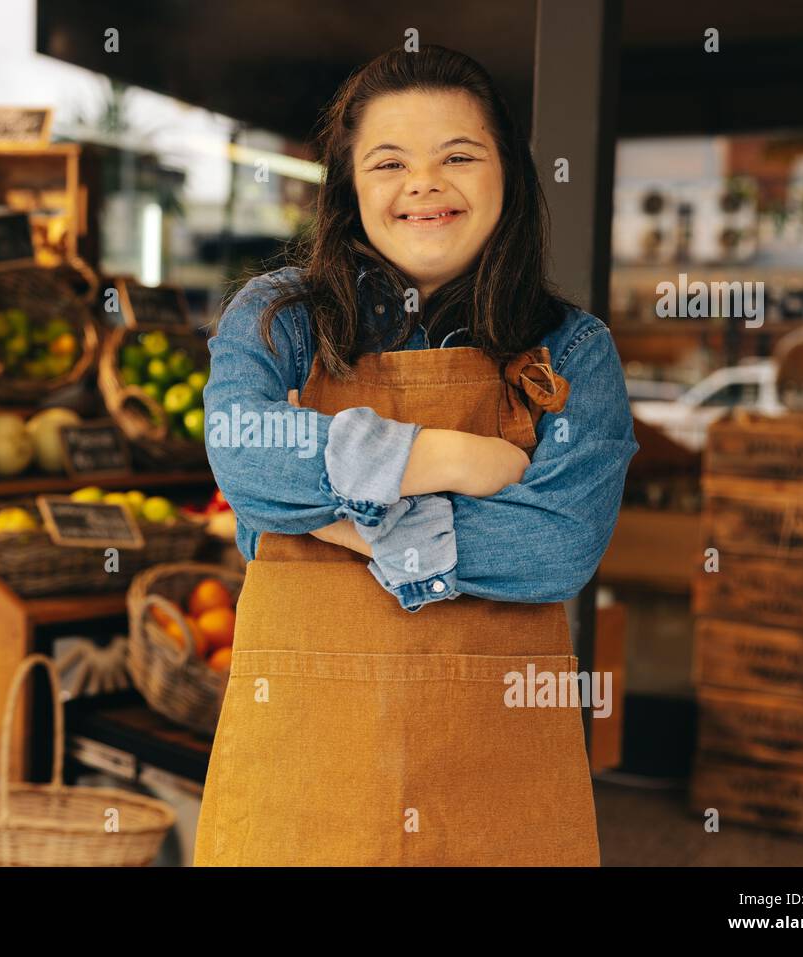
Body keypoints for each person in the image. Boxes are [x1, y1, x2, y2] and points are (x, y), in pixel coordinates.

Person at [194, 45, 639, 866]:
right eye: (389, 161)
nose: (424, 183)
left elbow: (556, 546)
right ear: (350, 188)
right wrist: (456, 460)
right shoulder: (280, 319)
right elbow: (242, 453)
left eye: (458, 157)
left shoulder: (573, 351)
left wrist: (335, 522)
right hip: (303, 770)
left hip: (497, 774)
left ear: (507, 173)